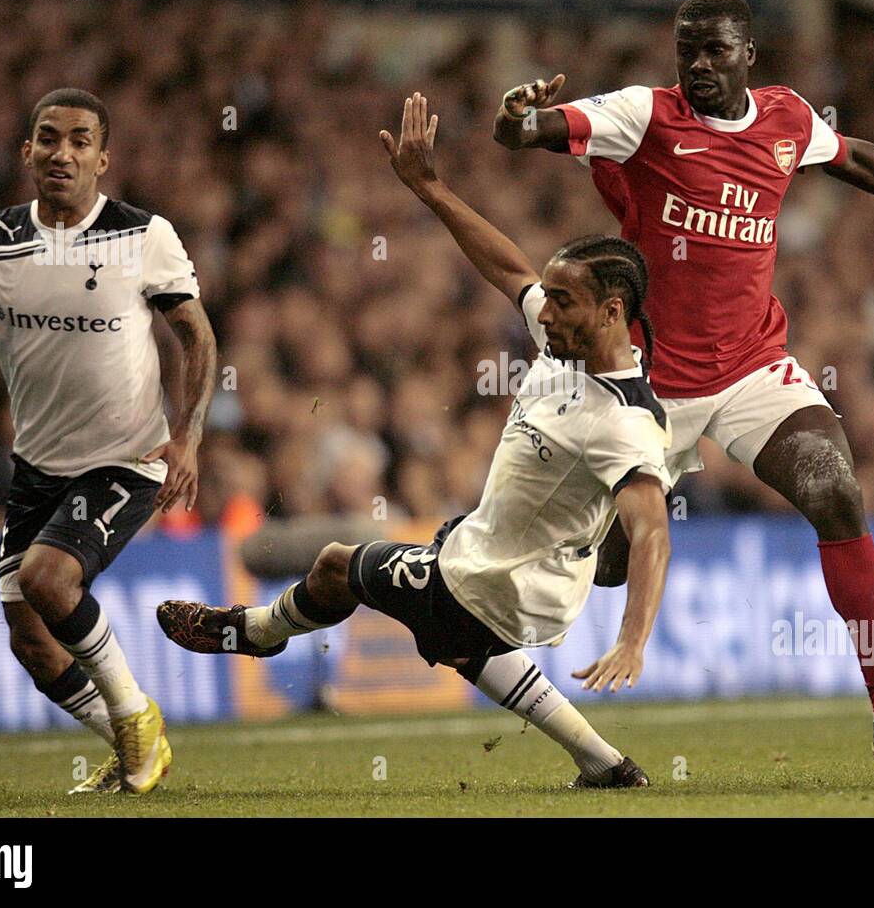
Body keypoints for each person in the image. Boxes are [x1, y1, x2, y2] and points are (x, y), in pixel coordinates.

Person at [492, 0, 874, 766]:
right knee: (611, 560)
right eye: (688, 49)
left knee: (836, 490)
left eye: (716, 50)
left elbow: (851, 156)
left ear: (748, 55)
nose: (699, 63)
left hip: (755, 363)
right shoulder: (644, 115)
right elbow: (530, 133)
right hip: (649, 386)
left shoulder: (786, 119)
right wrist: (516, 118)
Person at [157, 93, 672, 787]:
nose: (542, 309)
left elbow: (651, 531)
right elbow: (507, 267)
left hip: (504, 583)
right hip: (498, 561)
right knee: (464, 642)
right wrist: (432, 189)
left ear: (612, 312)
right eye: (547, 297)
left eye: (561, 300)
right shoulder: (564, 339)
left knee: (341, 564)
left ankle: (249, 633)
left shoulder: (625, 417)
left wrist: (633, 638)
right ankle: (604, 763)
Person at [0, 88, 217, 793]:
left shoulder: (142, 234)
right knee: (31, 641)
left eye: (78, 141)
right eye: (48, 138)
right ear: (26, 152)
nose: (61, 153)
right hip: (36, 466)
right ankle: (137, 747)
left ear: (104, 158)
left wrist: (189, 437)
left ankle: (133, 714)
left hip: (128, 456)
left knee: (47, 579)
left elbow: (196, 335)